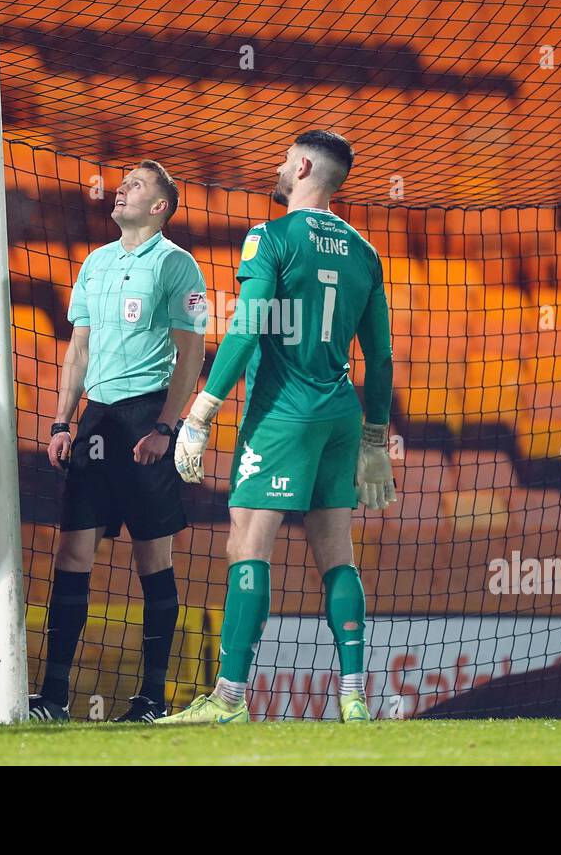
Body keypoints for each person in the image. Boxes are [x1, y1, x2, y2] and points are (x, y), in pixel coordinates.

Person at [158, 131, 396, 724]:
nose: (279, 165)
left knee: (246, 542)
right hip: (341, 413)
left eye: (286, 158)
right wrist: (374, 440)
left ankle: (230, 699)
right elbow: (383, 359)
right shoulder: (366, 252)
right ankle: (355, 696)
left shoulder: (270, 237)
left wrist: (200, 413)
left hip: (283, 414)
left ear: (304, 165)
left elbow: (247, 327)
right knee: (336, 553)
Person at [32, 160, 207, 722]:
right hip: (96, 420)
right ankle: (53, 698)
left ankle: (151, 699)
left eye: (134, 185)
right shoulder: (97, 262)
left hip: (145, 421)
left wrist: (166, 427)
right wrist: (63, 422)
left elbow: (192, 354)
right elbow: (78, 350)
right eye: (122, 182)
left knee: (152, 557)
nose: (120, 189)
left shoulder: (178, 265)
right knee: (72, 551)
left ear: (159, 206)